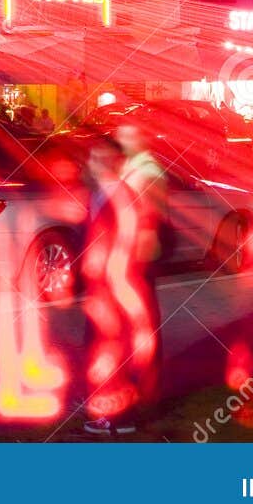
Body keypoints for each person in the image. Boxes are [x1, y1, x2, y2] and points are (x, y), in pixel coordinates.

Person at [83, 118, 169, 436]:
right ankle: (116, 407)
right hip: (113, 279)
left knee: (119, 343)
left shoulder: (139, 178)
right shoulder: (114, 182)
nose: (93, 162)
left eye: (101, 157)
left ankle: (121, 415)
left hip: (123, 277)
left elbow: (139, 230)